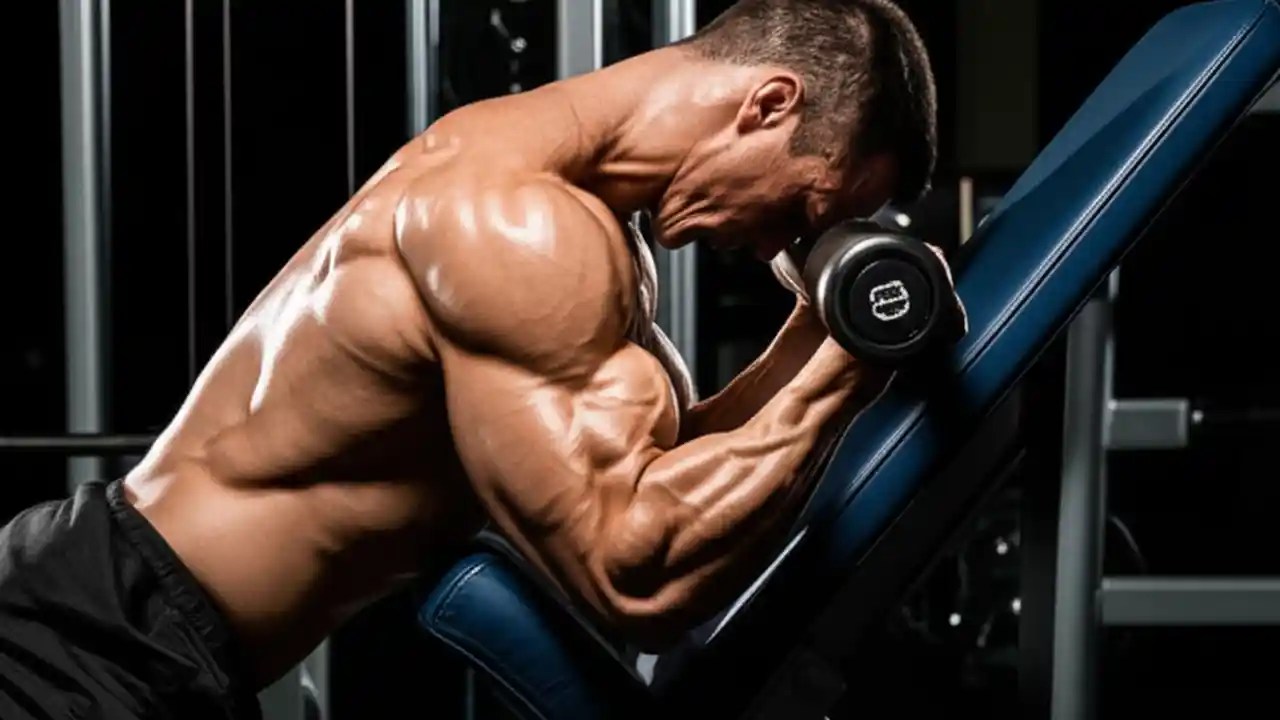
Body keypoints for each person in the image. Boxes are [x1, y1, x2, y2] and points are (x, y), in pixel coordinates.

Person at [0, 1, 946, 718]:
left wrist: (815, 333)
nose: (777, 243)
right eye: (805, 206)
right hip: (89, 638)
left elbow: (671, 475)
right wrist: (855, 363)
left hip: (148, 633)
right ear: (768, 104)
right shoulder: (519, 226)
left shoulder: (586, 223)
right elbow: (635, 573)